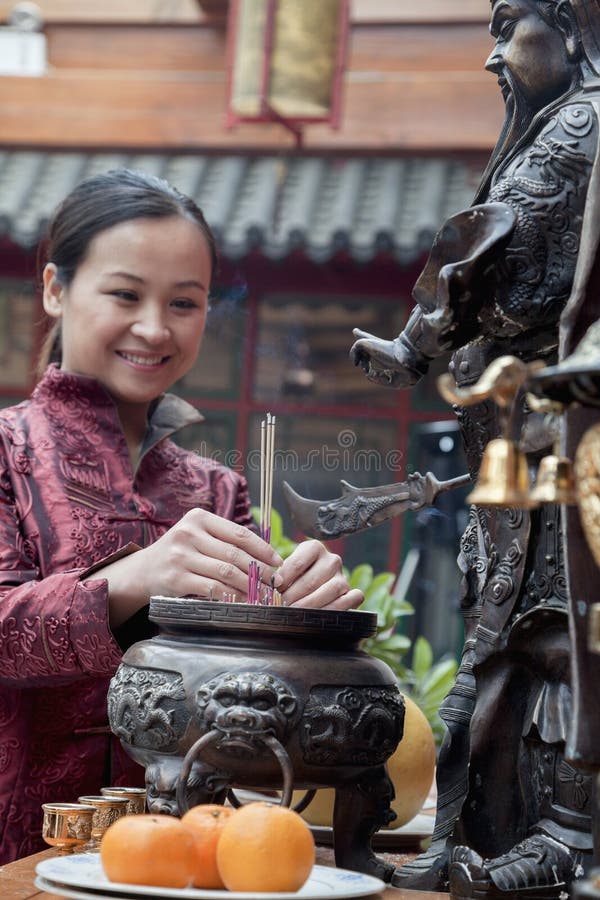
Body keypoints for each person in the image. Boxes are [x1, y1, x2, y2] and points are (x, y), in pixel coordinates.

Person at [0, 168, 363, 864]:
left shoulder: (217, 490)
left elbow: (246, 700)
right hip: (17, 852)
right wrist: (128, 580)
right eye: (125, 294)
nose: (154, 327)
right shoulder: (8, 450)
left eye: (185, 303)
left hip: (186, 852)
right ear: (55, 288)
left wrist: (305, 624)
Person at [351, 1, 600, 897]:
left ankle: (569, 835)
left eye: (509, 26)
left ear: (572, 27)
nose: (494, 55)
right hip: (523, 443)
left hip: (566, 441)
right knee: (510, 635)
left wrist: (418, 341)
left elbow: (488, 248)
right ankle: (490, 827)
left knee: (564, 635)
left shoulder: (579, 121)